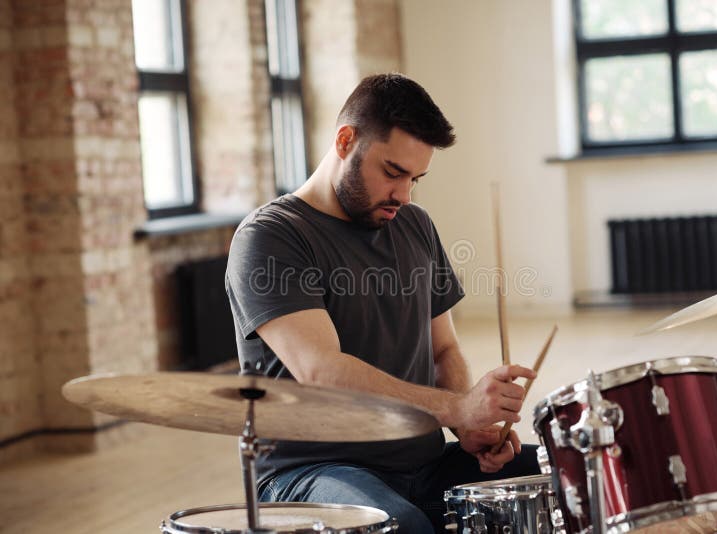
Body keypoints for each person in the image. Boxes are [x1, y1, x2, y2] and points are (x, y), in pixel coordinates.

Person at [225, 73, 540, 533]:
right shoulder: (271, 237)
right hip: (311, 473)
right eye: (393, 173)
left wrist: (467, 428)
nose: (404, 195)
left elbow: (443, 351)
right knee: (401, 527)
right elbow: (323, 371)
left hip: (422, 462)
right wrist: (457, 408)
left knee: (567, 478)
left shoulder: (414, 224)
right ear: (345, 140)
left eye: (416, 178)